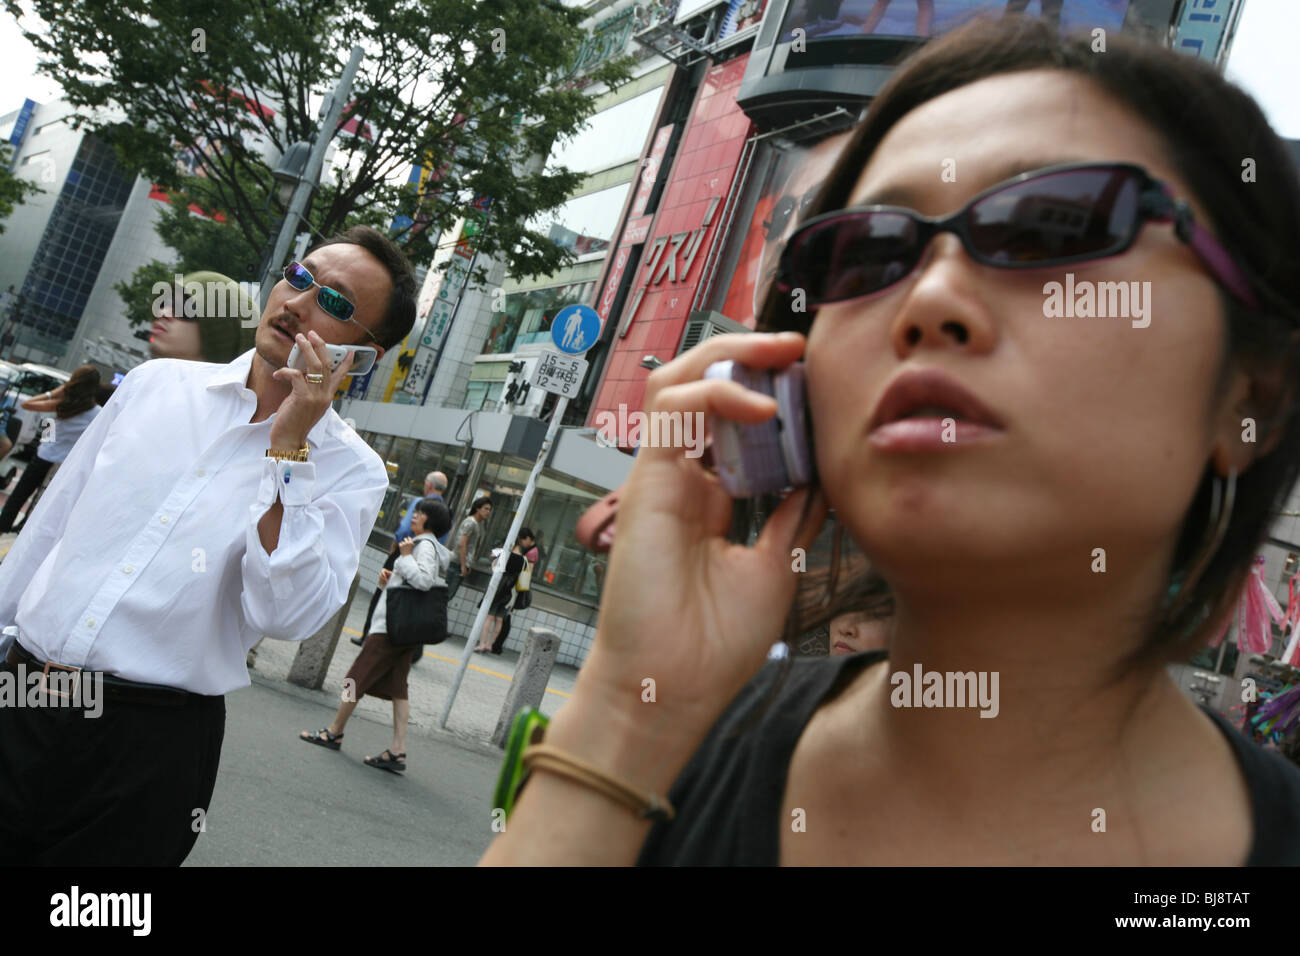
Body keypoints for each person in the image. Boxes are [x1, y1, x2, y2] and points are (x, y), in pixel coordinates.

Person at [482, 17, 1300, 865]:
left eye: (1054, 225)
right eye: (869, 254)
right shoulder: (667, 763)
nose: (930, 298)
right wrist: (625, 716)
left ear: (1255, 394)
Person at [0, 224, 416, 865]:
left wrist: (290, 450)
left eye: (334, 304)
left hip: (149, 744)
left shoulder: (349, 469)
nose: (298, 304)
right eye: (299, 278)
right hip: (21, 692)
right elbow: (49, 529)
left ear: (365, 355)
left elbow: (286, 614)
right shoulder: (156, 386)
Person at [300, 498, 453, 773]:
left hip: (390, 629)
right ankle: (397, 749)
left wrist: (404, 558)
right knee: (398, 689)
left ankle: (334, 731)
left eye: (420, 513)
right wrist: (389, 581)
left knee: (354, 678)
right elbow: (410, 582)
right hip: (402, 629)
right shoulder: (422, 546)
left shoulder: (424, 547)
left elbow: (423, 581)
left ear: (430, 521)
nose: (414, 516)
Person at [0, 365, 102, 535]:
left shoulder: (61, 404)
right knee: (46, 500)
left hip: (44, 455)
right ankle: (27, 531)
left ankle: (3, 527)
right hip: (66, 463)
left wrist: (54, 392)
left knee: (19, 495)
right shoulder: (97, 412)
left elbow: (27, 404)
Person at [354, 470, 449, 648]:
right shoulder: (445, 511)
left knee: (386, 592)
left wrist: (398, 550)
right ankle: (411, 642)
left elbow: (404, 530)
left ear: (428, 485)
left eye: (418, 515)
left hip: (406, 549)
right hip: (426, 558)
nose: (415, 516)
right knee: (414, 599)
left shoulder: (422, 504)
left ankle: (369, 634)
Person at [148, 270, 258, 364]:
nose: (163, 312)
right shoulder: (139, 383)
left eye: (184, 308)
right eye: (164, 302)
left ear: (219, 335)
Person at [474, 528, 535, 653]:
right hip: (509, 595)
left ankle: (482, 643)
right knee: (500, 619)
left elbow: (495, 569)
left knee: (489, 618)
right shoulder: (524, 561)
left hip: (497, 590)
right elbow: (523, 582)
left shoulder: (505, 554)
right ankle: (491, 644)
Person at [446, 496, 492, 600]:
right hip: (457, 563)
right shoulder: (471, 522)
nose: (488, 512)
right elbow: (462, 544)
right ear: (477, 508)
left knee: (447, 596)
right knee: (446, 596)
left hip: (460, 564)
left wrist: (467, 564)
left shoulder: (477, 524)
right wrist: (463, 565)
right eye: (486, 508)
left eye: (489, 509)